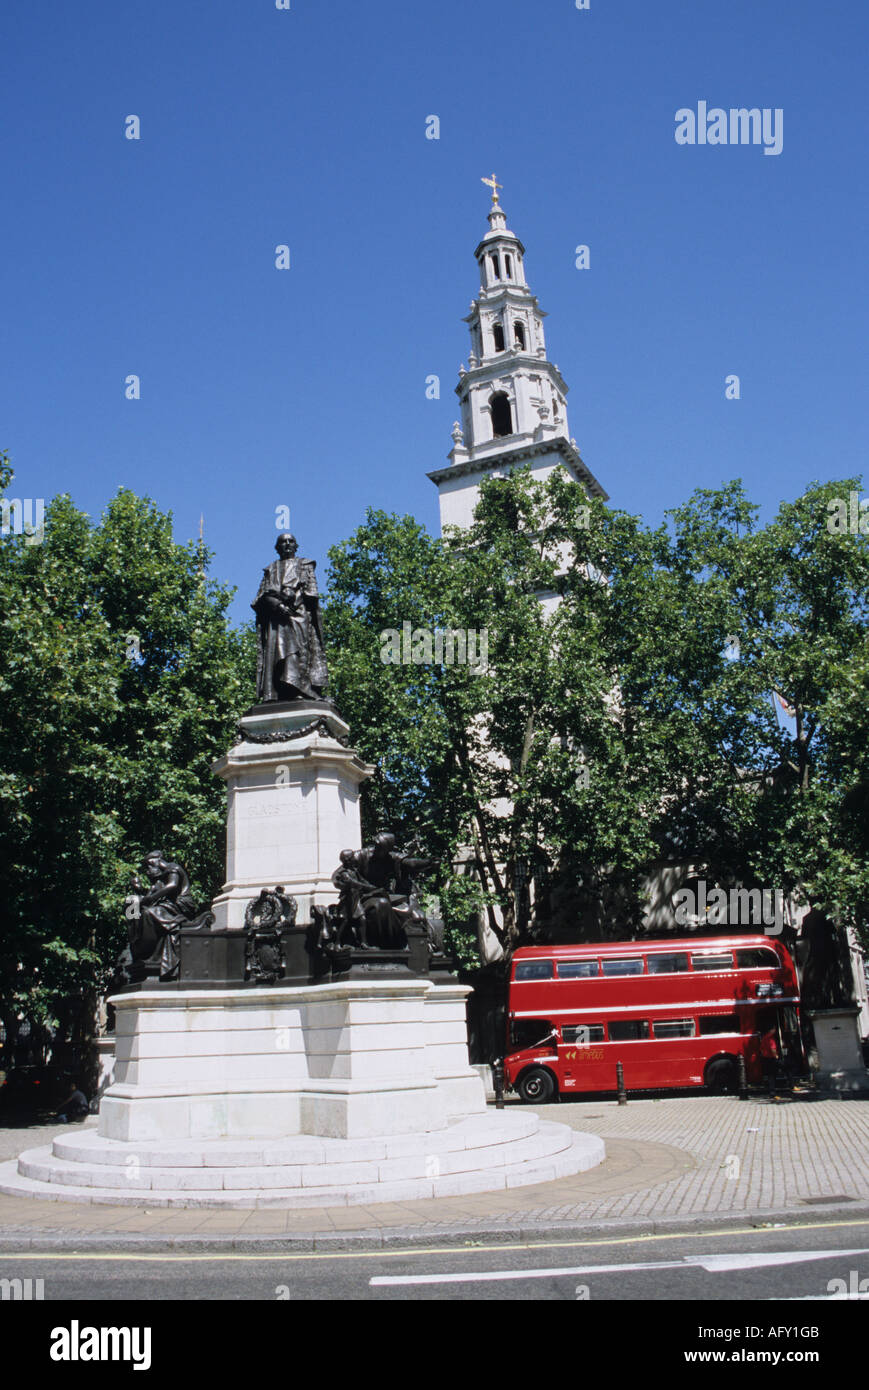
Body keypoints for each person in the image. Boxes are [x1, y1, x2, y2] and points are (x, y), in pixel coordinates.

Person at [252, 533, 328, 702]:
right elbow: (260, 598)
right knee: (277, 653)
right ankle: (279, 691)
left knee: (299, 652)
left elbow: (312, 592)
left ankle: (300, 688)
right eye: (282, 542)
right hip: (276, 621)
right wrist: (277, 605)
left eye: (290, 541)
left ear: (296, 545)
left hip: (298, 617)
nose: (287, 544)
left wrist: (293, 602)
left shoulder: (305, 565)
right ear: (277, 547)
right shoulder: (270, 569)